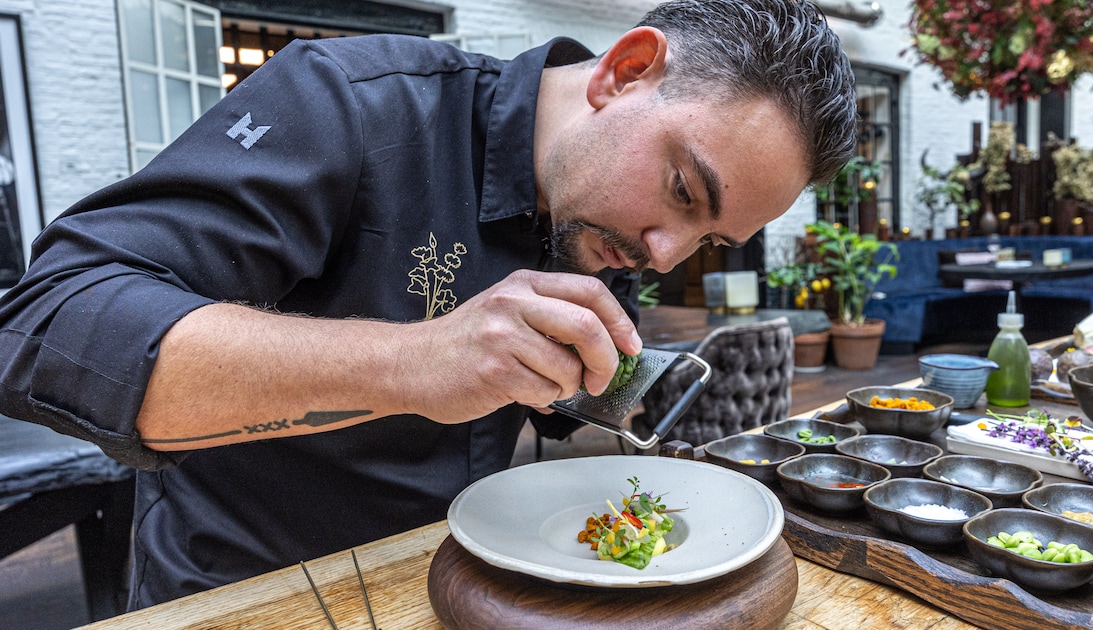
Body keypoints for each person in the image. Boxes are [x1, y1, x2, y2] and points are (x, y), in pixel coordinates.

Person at [0, 0, 856, 609]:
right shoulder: (351, 101)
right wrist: (417, 360)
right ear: (625, 72)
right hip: (251, 590)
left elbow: (555, 399)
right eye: (682, 190)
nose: (668, 252)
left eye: (709, 240)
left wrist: (629, 383)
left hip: (458, 579)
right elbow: (50, 324)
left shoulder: (605, 219)